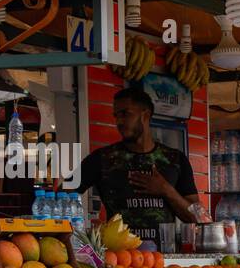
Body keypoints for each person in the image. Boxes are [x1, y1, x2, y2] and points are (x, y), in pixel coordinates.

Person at [73, 86, 199, 248]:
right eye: (116, 116)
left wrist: (166, 190)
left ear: (145, 115)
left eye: (125, 114)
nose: (119, 121)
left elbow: (196, 217)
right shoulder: (102, 159)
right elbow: (63, 197)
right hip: (120, 261)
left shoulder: (175, 160)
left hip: (164, 262)